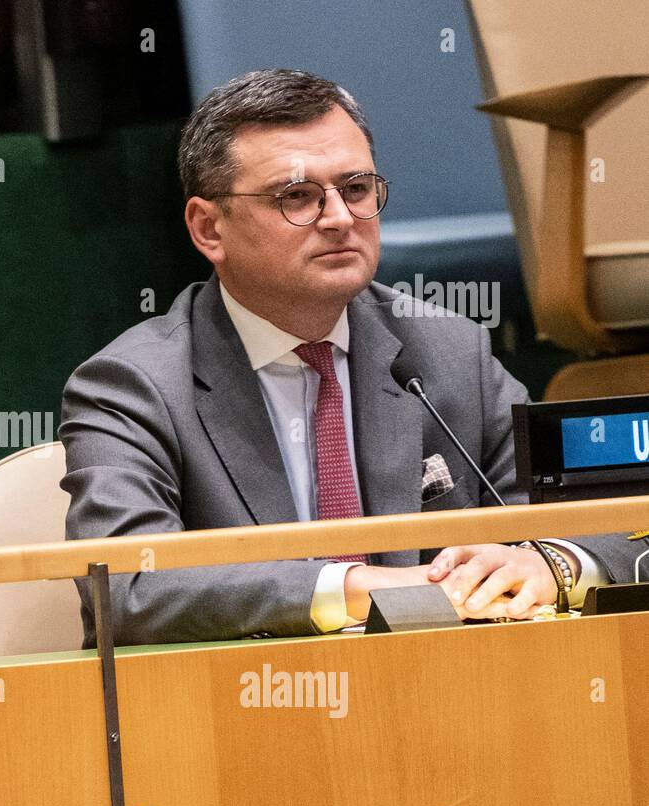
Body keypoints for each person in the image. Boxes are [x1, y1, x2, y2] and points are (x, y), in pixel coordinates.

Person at [59, 68, 643, 646]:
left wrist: (551, 564)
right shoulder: (133, 385)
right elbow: (128, 588)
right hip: (240, 712)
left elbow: (612, 521)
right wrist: (362, 586)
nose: (340, 218)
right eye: (298, 197)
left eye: (357, 189)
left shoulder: (447, 350)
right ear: (209, 228)